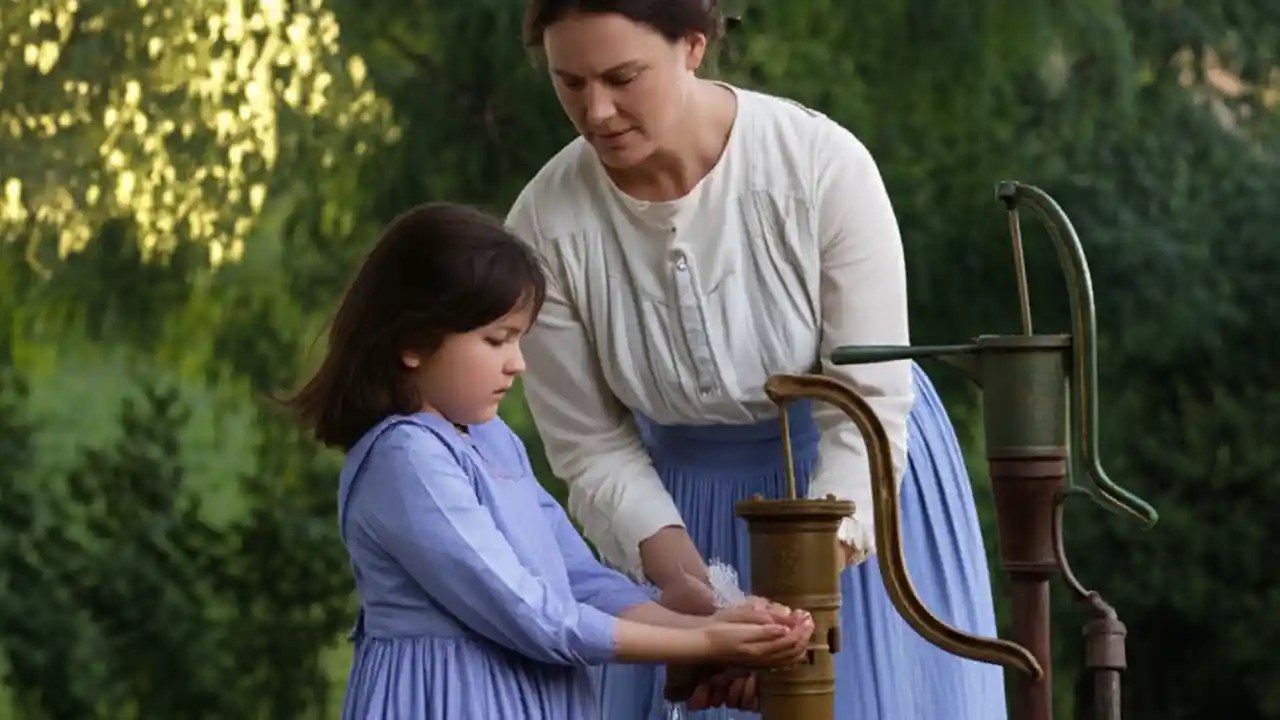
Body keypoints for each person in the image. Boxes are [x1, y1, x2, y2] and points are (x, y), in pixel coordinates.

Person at [505, 1, 1008, 719]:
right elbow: (590, 447)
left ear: (694, 46)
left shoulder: (821, 168)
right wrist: (699, 599)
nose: (599, 111)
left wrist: (797, 603)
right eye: (570, 83)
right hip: (676, 516)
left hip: (859, 496)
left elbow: (867, 400)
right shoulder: (544, 226)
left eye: (622, 77)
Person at [285, 202, 816, 719]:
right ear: (413, 342)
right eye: (496, 340)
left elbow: (578, 581)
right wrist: (703, 644)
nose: (517, 364)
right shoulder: (406, 460)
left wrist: (719, 627)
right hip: (452, 697)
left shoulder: (489, 439)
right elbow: (531, 615)